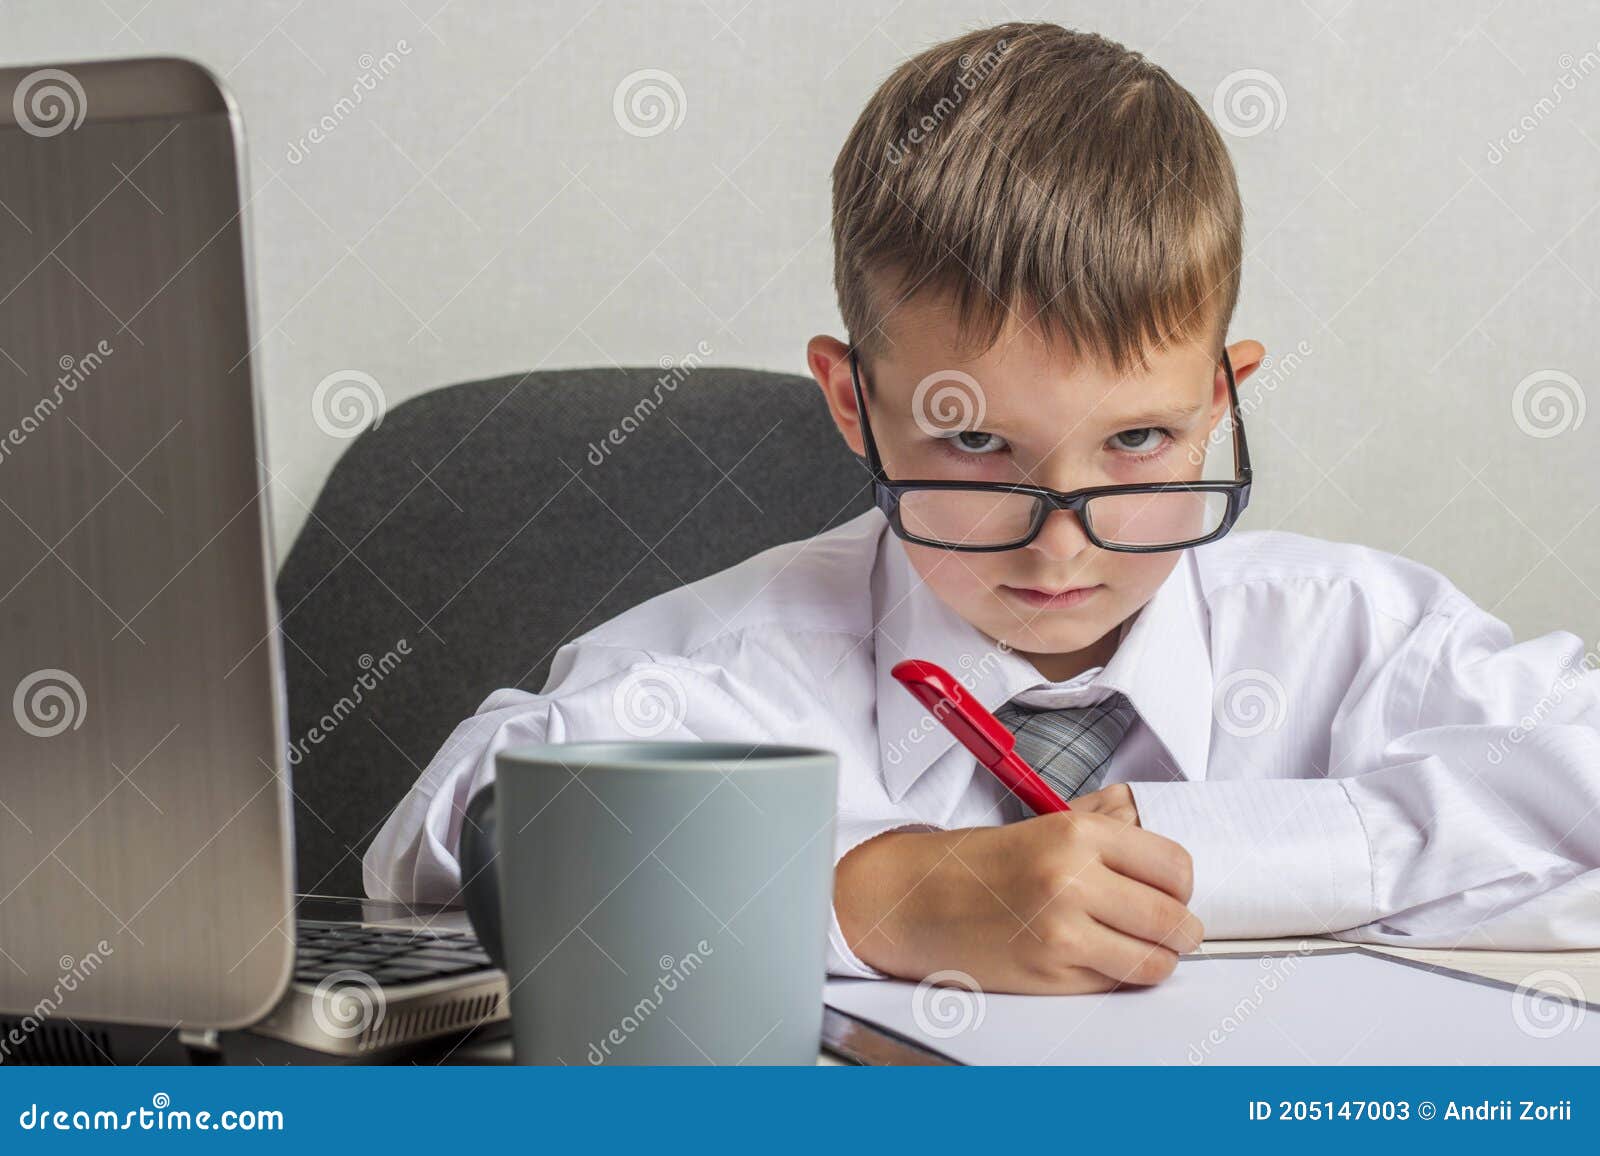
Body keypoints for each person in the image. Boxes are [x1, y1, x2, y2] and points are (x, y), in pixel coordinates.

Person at [365, 22, 1600, 993]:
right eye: (972, 442)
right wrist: (874, 895)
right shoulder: (741, 665)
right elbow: (448, 840)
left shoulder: (1347, 634)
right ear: (853, 406)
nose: (1060, 541)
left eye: (1136, 441)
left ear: (1219, 401)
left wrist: (1234, 852)